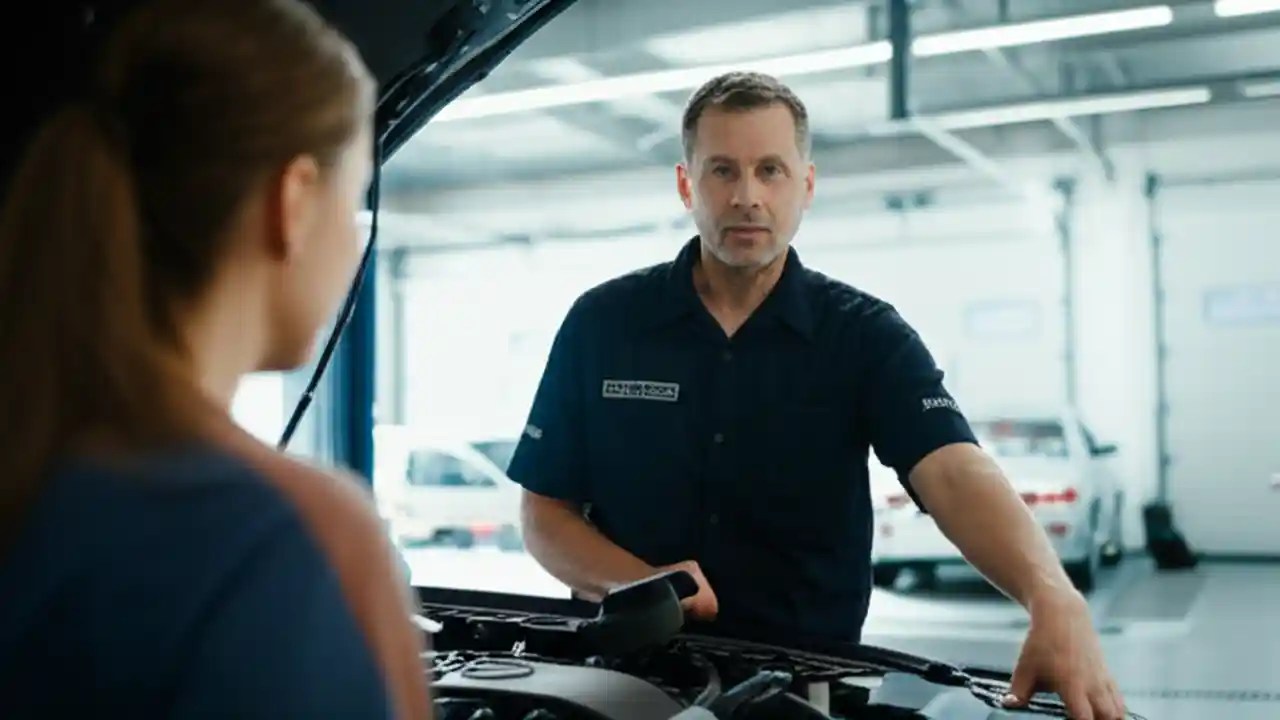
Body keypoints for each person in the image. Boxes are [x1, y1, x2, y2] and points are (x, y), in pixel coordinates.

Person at [508, 71, 1127, 720]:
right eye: (723, 171)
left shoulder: (864, 336)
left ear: (806, 184)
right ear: (687, 184)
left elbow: (952, 469)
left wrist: (1051, 593)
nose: (748, 195)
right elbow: (544, 512)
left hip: (808, 690)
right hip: (622, 683)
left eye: (770, 170)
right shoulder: (602, 325)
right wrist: (636, 584)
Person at [0, 1, 432, 717]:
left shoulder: (35, 470)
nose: (354, 244)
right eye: (353, 199)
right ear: (291, 202)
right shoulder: (291, 540)